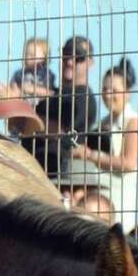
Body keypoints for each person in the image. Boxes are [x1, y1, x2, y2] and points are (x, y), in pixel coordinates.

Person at [72, 58, 138, 227]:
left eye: (114, 90)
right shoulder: (100, 124)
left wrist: (91, 155)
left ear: (128, 93)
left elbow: (129, 162)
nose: (108, 95)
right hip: (95, 197)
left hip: (118, 199)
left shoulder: (133, 122)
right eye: (105, 89)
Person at [32, 35, 101, 181]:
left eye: (78, 58)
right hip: (32, 172)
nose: (70, 62)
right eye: (66, 55)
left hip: (57, 179)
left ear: (90, 63)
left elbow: (60, 132)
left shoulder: (83, 98)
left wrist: (27, 118)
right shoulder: (51, 93)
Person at [8, 36, 56, 101]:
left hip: (41, 105)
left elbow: (50, 93)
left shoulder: (47, 74)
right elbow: (12, 88)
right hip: (21, 104)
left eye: (32, 55)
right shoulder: (18, 74)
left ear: (45, 58)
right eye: (26, 54)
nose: (27, 57)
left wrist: (30, 88)